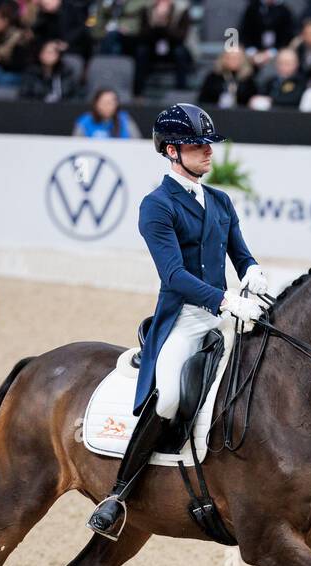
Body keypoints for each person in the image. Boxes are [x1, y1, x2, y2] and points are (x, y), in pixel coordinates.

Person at [86, 104, 267, 540]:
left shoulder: (220, 201)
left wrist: (252, 272)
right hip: (185, 319)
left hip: (225, 313)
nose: (208, 152)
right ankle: (118, 494)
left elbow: (239, 253)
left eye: (209, 144)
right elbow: (174, 277)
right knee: (167, 397)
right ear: (171, 151)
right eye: (196, 145)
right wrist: (226, 299)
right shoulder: (157, 206)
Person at [137, 0, 190, 91]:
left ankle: (181, 91)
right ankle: (138, 92)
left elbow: (181, 37)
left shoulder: (181, 10)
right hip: (153, 47)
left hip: (173, 47)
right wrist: (155, 21)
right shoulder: (147, 9)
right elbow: (142, 35)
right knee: (141, 50)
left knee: (180, 52)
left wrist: (166, 23)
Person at [239, 0, 294, 68]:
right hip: (253, 51)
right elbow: (244, 32)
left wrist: (271, 53)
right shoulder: (253, 7)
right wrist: (252, 52)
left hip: (276, 52)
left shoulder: (284, 10)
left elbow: (288, 36)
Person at [73, 87, 141, 136]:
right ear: (96, 104)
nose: (107, 106)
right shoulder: (85, 121)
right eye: (104, 103)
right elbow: (76, 145)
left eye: (111, 103)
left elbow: (138, 144)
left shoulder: (126, 120)